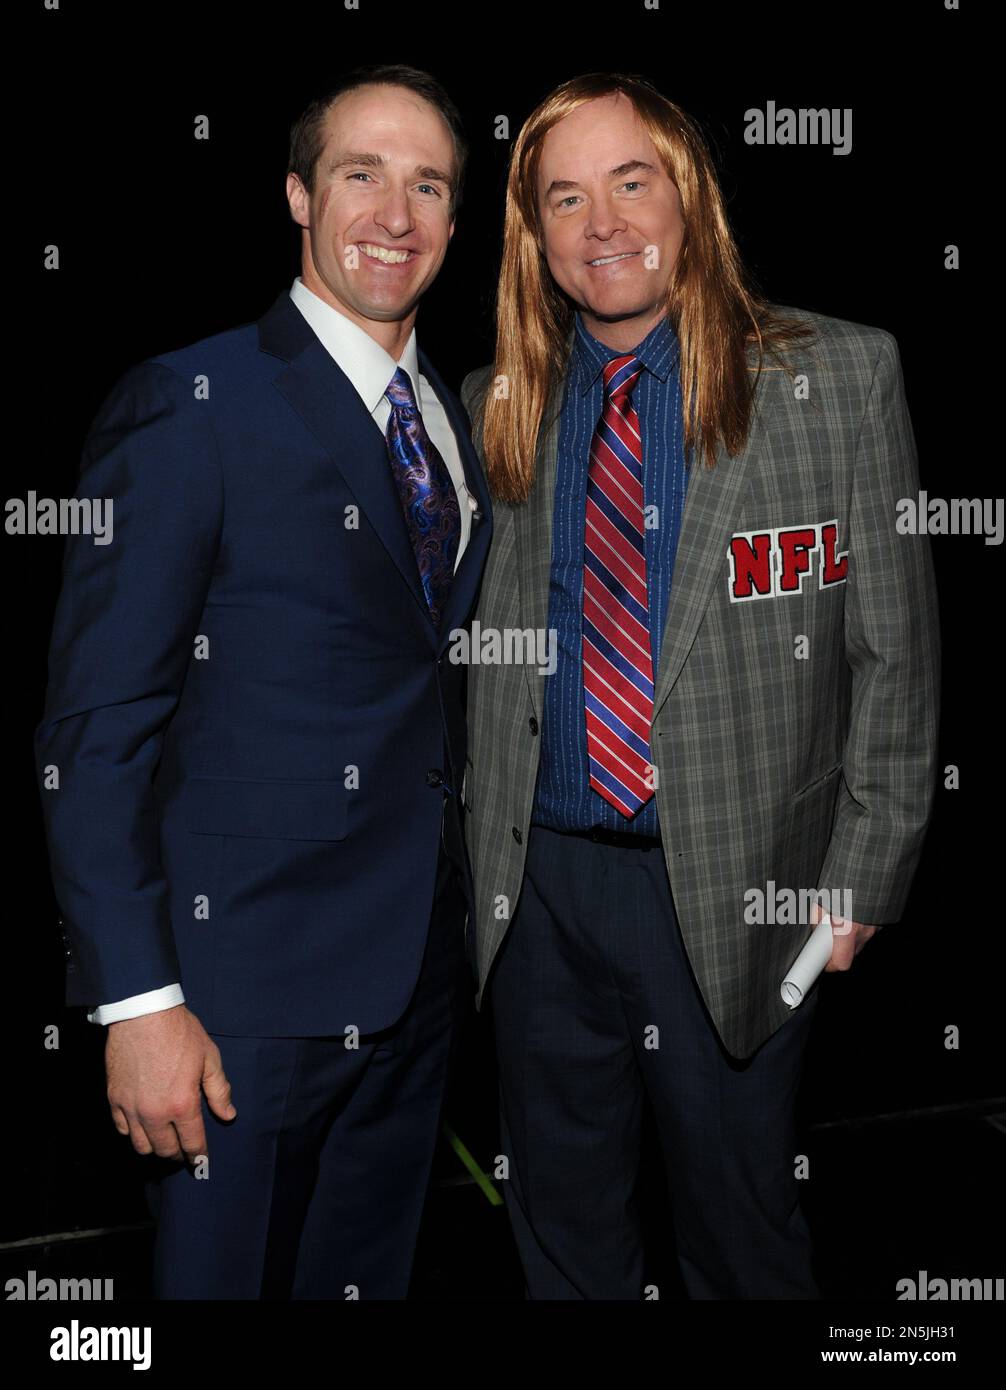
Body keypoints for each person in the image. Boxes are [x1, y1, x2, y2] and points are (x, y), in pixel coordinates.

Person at [460, 72, 939, 1299]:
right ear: (536, 239)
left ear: (689, 196)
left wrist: (864, 875)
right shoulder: (500, 404)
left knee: (740, 1238)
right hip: (539, 897)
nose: (604, 223)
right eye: (565, 198)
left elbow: (893, 648)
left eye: (632, 181)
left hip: (737, 885)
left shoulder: (835, 376)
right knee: (561, 1236)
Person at [34, 63, 491, 1299]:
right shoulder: (192, 402)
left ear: (457, 220)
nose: (394, 213)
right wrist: (137, 1000)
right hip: (232, 1004)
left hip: (413, 989)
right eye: (360, 174)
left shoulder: (454, 418)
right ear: (297, 195)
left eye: (428, 184)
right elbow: (98, 725)